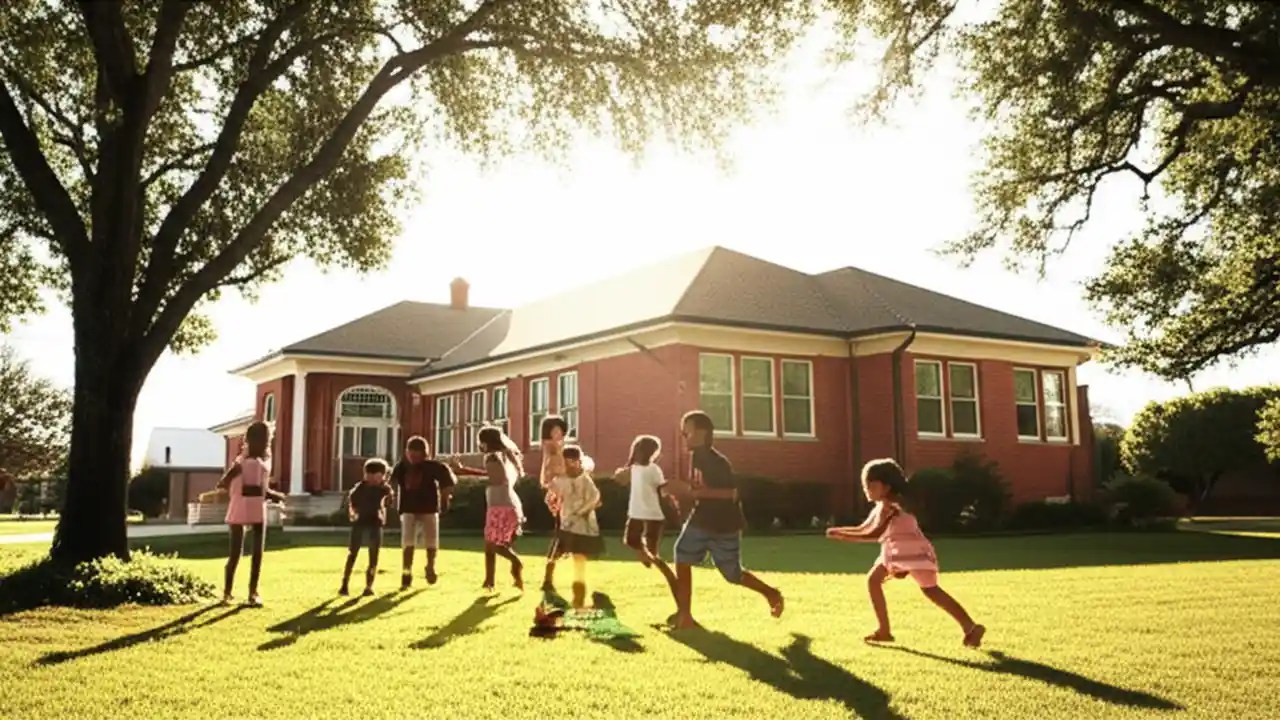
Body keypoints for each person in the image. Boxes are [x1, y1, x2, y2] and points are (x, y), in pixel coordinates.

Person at [826, 458, 986, 647]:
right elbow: (864, 528)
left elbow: (874, 534)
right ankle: (969, 627)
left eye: (871, 485)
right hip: (905, 551)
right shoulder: (883, 506)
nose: (867, 490)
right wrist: (840, 531)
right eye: (865, 486)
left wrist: (843, 536)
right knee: (927, 590)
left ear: (886, 487)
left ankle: (886, 630)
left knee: (919, 588)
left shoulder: (892, 507)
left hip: (907, 552)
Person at [666, 410, 784, 629]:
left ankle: (771, 593)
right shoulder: (697, 457)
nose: (683, 437)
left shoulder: (714, 461)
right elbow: (701, 490)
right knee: (682, 554)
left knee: (732, 574)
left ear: (700, 433)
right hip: (702, 519)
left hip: (723, 524)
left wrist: (689, 492)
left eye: (687, 432)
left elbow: (730, 494)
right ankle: (685, 616)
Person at [216, 421, 286, 607]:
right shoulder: (242, 461)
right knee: (236, 554)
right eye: (268, 438)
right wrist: (236, 477)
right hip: (240, 507)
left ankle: (252, 593)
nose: (269, 441)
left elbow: (263, 489)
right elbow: (222, 483)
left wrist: (277, 496)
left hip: (256, 508)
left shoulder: (263, 462)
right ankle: (228, 593)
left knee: (256, 554)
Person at [389, 436, 456, 589]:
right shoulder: (401, 467)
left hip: (429, 507)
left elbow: (447, 483)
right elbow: (391, 484)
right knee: (408, 542)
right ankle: (406, 572)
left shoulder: (433, 466)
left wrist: (445, 500)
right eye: (410, 454)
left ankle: (430, 566)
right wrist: (389, 498)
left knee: (431, 541)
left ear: (424, 453)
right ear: (406, 452)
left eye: (416, 454)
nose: (413, 457)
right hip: (408, 508)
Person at [616, 434, 677, 602]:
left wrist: (671, 500)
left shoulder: (653, 469)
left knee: (650, 549)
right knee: (630, 540)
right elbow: (621, 479)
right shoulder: (635, 468)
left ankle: (656, 563)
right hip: (637, 512)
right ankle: (648, 557)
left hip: (652, 514)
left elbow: (662, 490)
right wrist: (619, 474)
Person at [542, 444, 603, 609]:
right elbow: (549, 494)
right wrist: (554, 505)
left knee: (579, 559)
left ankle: (579, 596)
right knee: (556, 552)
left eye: (573, 462)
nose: (570, 465)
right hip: (566, 523)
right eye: (567, 462)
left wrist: (583, 511)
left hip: (583, 525)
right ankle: (547, 581)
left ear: (578, 462)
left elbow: (594, 497)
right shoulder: (560, 480)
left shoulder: (585, 480)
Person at [476, 426, 526, 591]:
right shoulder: (502, 456)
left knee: (494, 545)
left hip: (499, 506)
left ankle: (516, 562)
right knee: (490, 545)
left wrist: (465, 471)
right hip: (503, 504)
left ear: (485, 442)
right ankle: (489, 580)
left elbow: (498, 478)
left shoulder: (492, 457)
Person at [341, 458, 393, 596]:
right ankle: (345, 584)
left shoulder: (384, 488)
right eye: (381, 475)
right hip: (360, 522)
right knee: (353, 553)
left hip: (375, 523)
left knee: (373, 555)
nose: (383, 478)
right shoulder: (360, 488)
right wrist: (353, 513)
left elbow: (389, 502)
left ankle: (368, 586)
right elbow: (352, 503)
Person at [539, 415, 568, 591]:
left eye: (560, 430)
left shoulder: (558, 448)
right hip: (560, 495)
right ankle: (548, 579)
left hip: (563, 494)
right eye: (554, 430)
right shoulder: (552, 449)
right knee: (561, 536)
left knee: (563, 535)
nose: (558, 433)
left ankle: (549, 578)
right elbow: (554, 472)